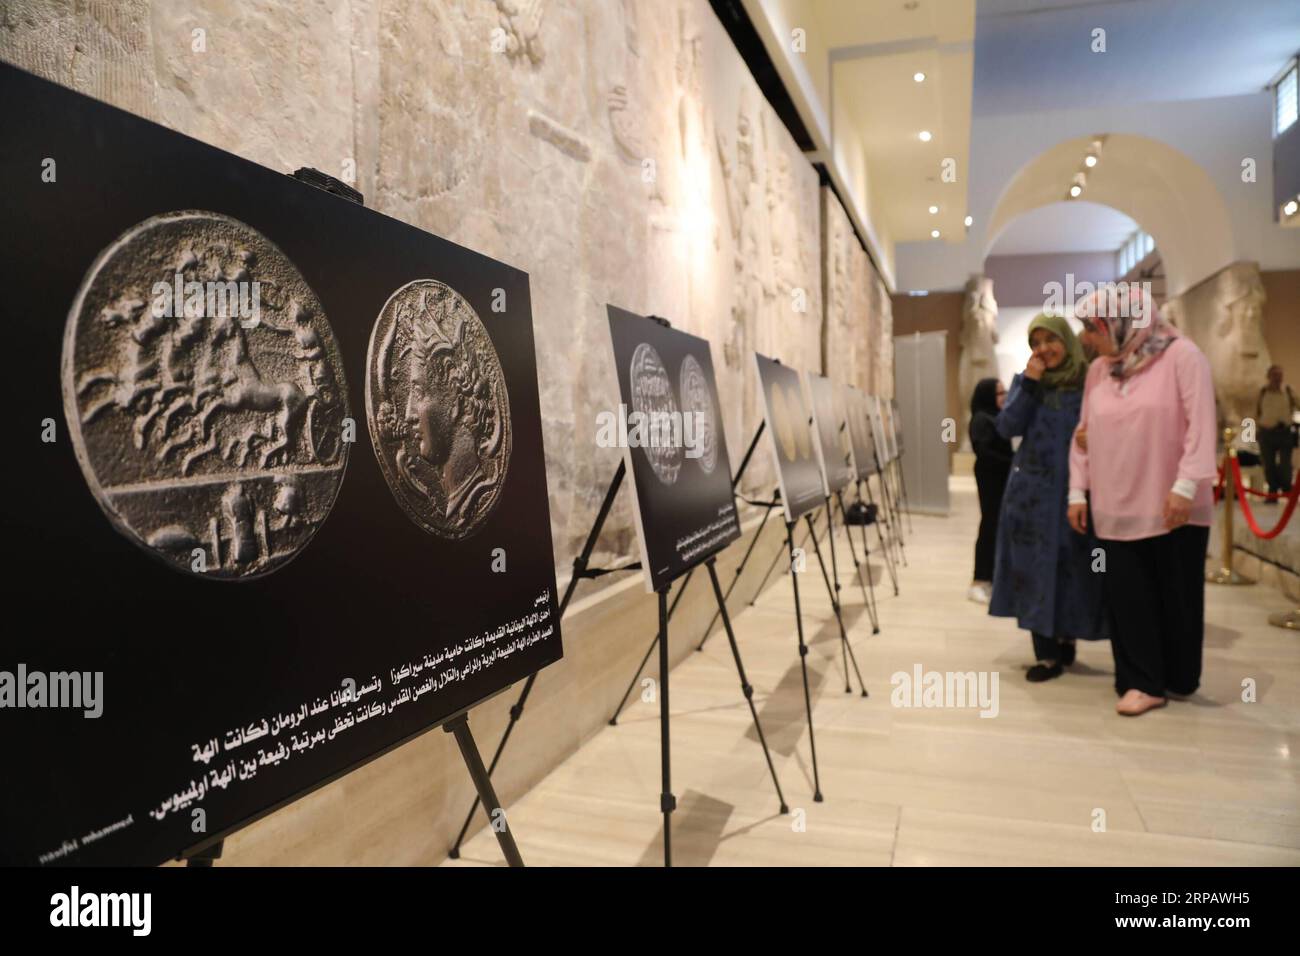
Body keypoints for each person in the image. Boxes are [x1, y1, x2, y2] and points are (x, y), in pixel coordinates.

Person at [1068, 287, 1216, 717]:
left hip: (1173, 504)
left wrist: (1187, 486)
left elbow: (1201, 425)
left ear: (1119, 322)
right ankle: (1141, 680)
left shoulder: (1182, 356)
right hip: (1116, 504)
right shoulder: (1100, 371)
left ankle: (1176, 677)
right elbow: (1082, 436)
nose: (1087, 340)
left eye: (1091, 329)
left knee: (1177, 594)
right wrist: (1078, 490)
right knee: (1127, 596)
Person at [989, 315, 1106, 680]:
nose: (1043, 349)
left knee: (1073, 565)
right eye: (1035, 343)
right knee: (1034, 568)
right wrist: (1030, 383)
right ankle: (1045, 654)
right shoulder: (1027, 384)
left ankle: (1067, 636)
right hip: (1031, 496)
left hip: (1077, 492)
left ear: (1066, 341)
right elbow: (1007, 427)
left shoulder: (1089, 381)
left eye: (1049, 340)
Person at [968, 378, 1010, 603]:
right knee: (989, 525)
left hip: (998, 477)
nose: (1004, 396)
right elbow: (984, 452)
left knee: (994, 526)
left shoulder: (994, 417)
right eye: (999, 393)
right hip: (990, 478)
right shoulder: (982, 420)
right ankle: (980, 579)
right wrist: (1012, 462)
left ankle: (992, 578)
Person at [1257, 365, 1297, 503]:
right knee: (1268, 464)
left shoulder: (1288, 391)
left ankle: (1286, 488)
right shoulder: (1262, 392)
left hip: (1284, 432)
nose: (1277, 378)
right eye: (1274, 375)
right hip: (1266, 433)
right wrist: (1253, 432)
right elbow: (1255, 413)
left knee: (1285, 464)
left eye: (1280, 375)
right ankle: (1272, 490)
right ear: (1268, 376)